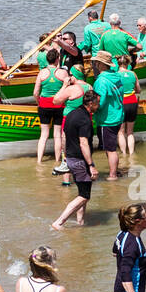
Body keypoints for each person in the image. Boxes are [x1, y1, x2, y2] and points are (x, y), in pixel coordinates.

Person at [52, 89, 99, 230]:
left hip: (71, 158)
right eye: (98, 103)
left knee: (82, 192)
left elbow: (64, 137)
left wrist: (65, 158)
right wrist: (91, 165)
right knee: (84, 196)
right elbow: (83, 143)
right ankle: (59, 222)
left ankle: (80, 223)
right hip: (80, 160)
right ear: (90, 104)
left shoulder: (72, 114)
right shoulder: (85, 119)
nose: (99, 106)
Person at [90, 50, 123, 179]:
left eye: (96, 62)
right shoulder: (116, 76)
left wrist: (91, 111)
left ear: (100, 64)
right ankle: (115, 170)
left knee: (110, 149)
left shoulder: (101, 81)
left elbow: (99, 102)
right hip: (118, 114)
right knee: (111, 147)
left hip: (107, 119)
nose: (94, 65)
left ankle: (112, 175)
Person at [33, 53, 67, 165]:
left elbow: (35, 92)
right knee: (57, 134)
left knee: (43, 135)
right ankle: (57, 160)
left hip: (44, 105)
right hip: (59, 105)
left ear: (47, 60)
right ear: (58, 59)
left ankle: (39, 160)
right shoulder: (63, 72)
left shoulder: (42, 73)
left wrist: (39, 102)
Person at [117, 57, 139, 158]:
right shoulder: (133, 74)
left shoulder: (116, 75)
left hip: (121, 103)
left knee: (121, 132)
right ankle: (131, 153)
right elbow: (138, 90)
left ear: (118, 63)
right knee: (130, 132)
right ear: (128, 63)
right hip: (132, 102)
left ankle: (124, 155)